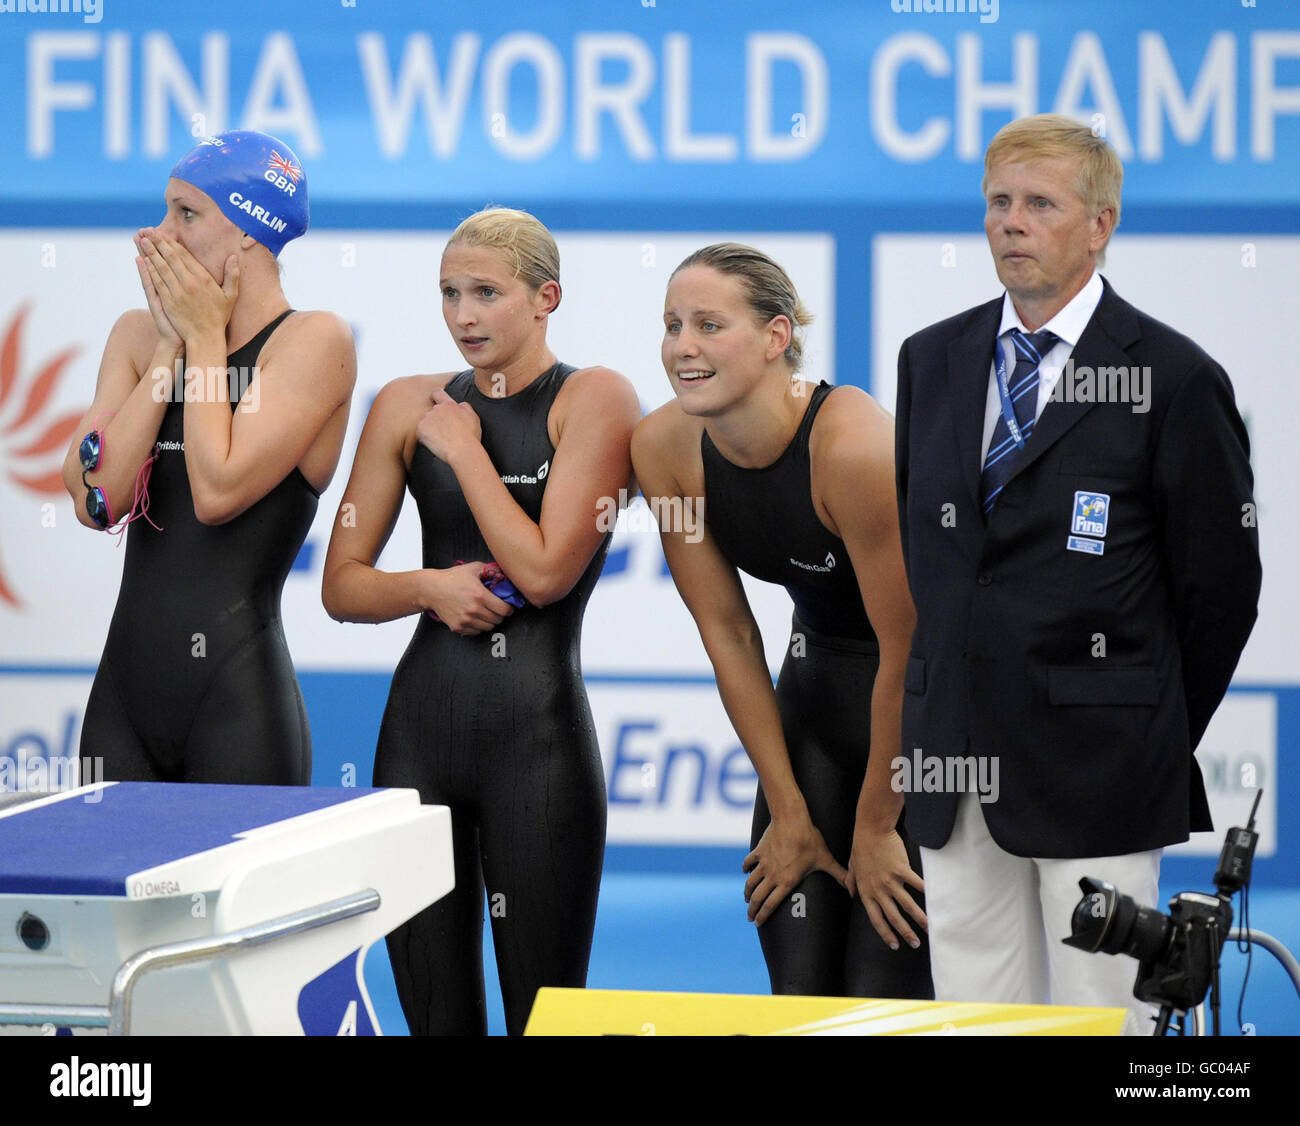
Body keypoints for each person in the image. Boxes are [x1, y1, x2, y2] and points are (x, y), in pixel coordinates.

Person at [893, 114, 1261, 1028]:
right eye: (998, 202)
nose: (1010, 222)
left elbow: (1220, 591)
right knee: (976, 1021)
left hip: (1101, 767)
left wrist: (1137, 713)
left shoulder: (1173, 376)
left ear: (1100, 224)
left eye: (1039, 204)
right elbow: (935, 562)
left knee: (1104, 1016)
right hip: (954, 762)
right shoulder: (931, 358)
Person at [321, 207, 640, 1036]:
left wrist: (464, 451)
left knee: (545, 1019)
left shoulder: (595, 398)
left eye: (487, 293)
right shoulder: (404, 403)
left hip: (537, 744)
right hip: (418, 738)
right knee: (435, 1022)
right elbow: (342, 588)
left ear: (547, 299)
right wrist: (430, 586)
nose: (463, 315)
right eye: (449, 293)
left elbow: (542, 573)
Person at [632, 244, 933, 999]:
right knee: (798, 996)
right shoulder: (663, 447)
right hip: (813, 716)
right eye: (672, 325)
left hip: (919, 728)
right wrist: (789, 810)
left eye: (708, 324)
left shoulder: (854, 449)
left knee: (878, 1000)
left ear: (775, 337)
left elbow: (912, 648)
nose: (683, 347)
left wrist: (875, 827)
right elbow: (728, 633)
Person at [63, 129, 356, 785]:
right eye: (165, 209)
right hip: (121, 704)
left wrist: (202, 337)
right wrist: (169, 352)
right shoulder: (139, 336)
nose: (156, 234)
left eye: (186, 214)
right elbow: (95, 499)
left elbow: (218, 491)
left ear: (249, 232)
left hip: (238, 705)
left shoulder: (313, 341)